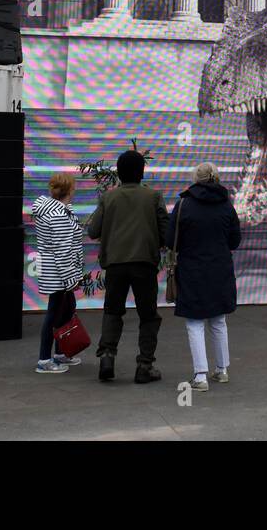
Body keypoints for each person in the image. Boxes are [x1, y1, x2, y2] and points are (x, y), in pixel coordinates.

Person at [87, 148, 168, 383]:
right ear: (142, 172)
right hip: (144, 264)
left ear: (119, 173)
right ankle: (144, 366)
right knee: (148, 315)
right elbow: (166, 232)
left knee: (113, 311)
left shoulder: (108, 197)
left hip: (115, 265)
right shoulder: (153, 197)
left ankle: (107, 357)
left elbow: (93, 231)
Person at [167, 162, 241, 391]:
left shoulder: (184, 205)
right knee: (218, 320)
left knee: (195, 322)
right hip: (220, 269)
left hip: (192, 270)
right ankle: (222, 370)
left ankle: (200, 376)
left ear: (196, 179)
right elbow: (235, 240)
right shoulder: (226, 205)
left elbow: (171, 241)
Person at [31, 172, 85, 374]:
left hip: (57, 270)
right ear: (70, 190)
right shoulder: (58, 215)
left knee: (66, 309)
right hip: (60, 272)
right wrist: (71, 279)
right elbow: (63, 250)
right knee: (55, 313)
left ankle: (60, 353)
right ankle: (45, 360)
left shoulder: (58, 211)